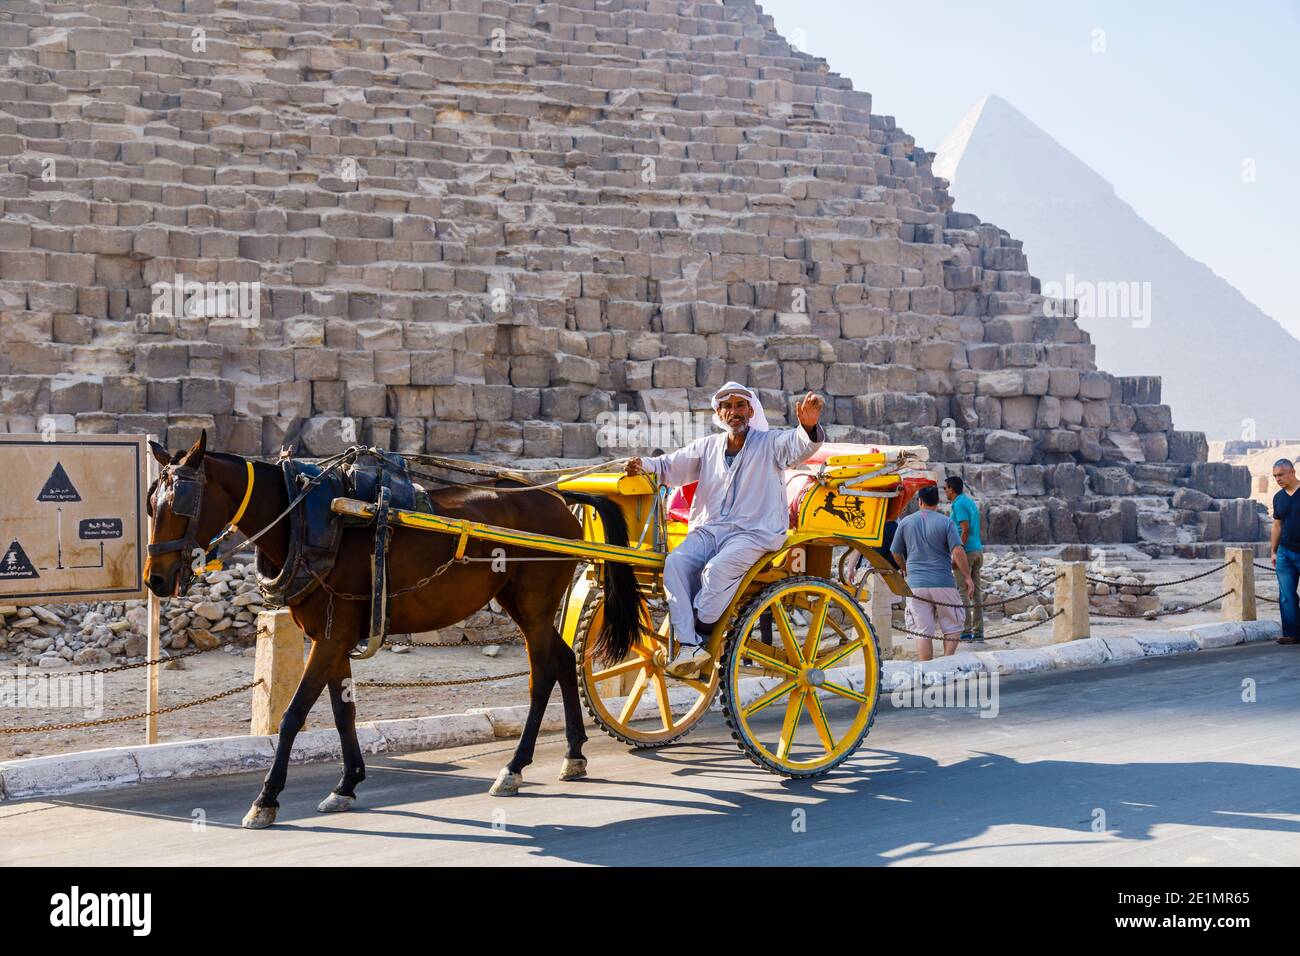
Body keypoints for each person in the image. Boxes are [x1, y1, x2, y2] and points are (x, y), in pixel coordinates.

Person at [626, 382, 825, 677]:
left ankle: (702, 635)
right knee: (676, 563)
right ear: (719, 413)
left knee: (715, 571)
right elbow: (670, 466)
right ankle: (689, 645)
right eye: (728, 407)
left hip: (753, 533)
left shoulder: (769, 443)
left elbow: (796, 446)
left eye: (740, 406)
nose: (735, 412)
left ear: (750, 410)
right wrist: (644, 464)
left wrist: (807, 428)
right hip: (710, 529)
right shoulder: (707, 447)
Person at [891, 484, 975, 661]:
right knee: (953, 626)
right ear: (938, 501)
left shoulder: (906, 522)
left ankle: (926, 669)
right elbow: (958, 550)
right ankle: (946, 660)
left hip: (915, 586)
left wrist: (905, 568)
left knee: (923, 631)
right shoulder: (946, 522)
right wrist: (967, 577)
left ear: (919, 501)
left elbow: (895, 552)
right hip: (943, 583)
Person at [944, 475, 984, 641]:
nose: (945, 492)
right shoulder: (968, 501)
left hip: (966, 551)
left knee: (963, 591)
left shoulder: (959, 504)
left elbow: (965, 529)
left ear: (952, 489)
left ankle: (966, 631)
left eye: (945, 488)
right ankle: (979, 632)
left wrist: (958, 551)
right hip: (977, 549)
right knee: (976, 593)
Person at [1270, 458, 1300, 645]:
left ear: (1292, 472)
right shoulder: (1278, 497)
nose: (1277, 479)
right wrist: (1274, 550)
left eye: (1280, 475)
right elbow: (1277, 525)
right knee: (1286, 595)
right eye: (1274, 476)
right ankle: (1292, 634)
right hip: (1284, 553)